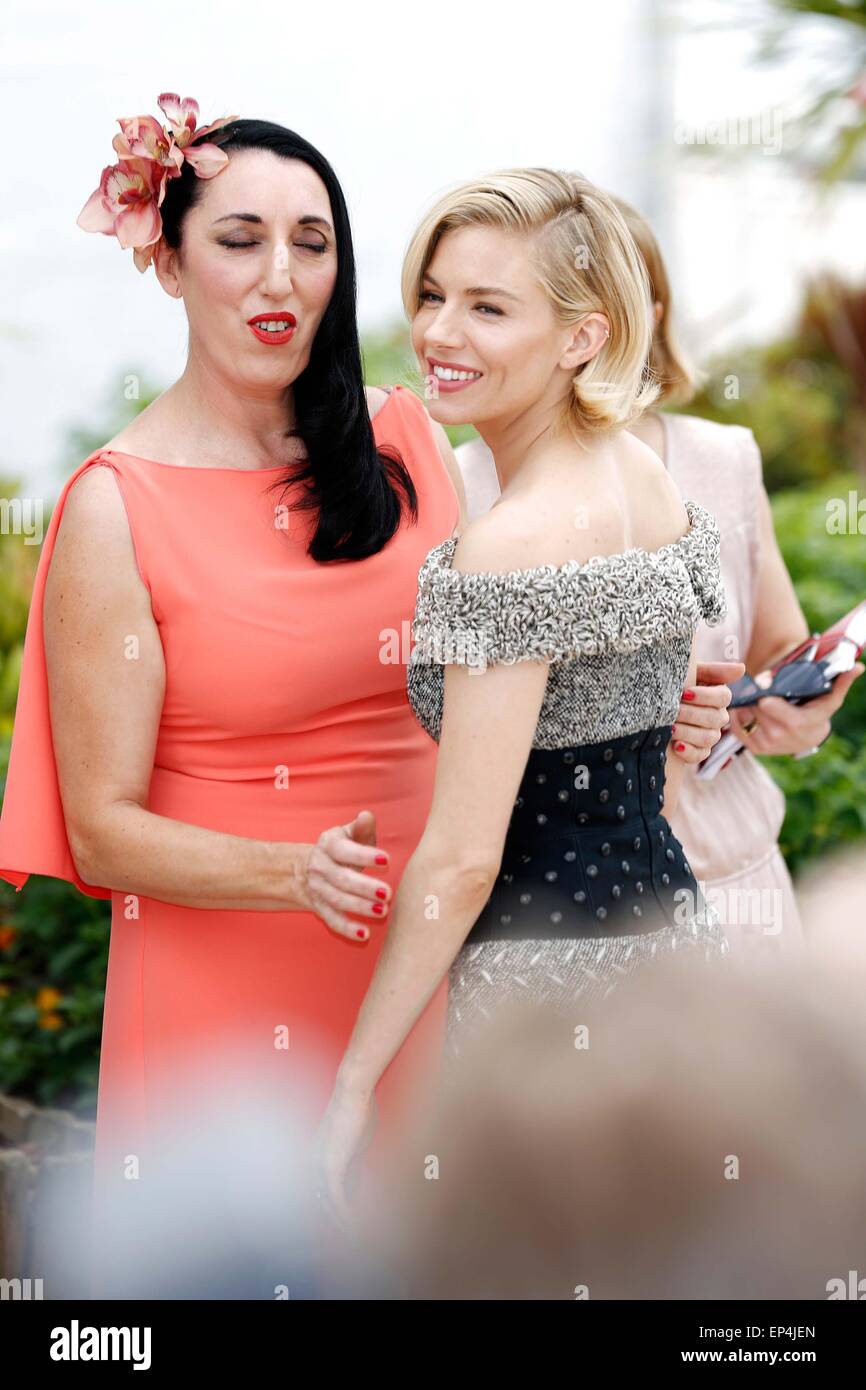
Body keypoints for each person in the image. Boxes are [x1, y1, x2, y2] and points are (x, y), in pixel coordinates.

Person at [0, 96, 469, 1290]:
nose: (283, 274)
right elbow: (102, 828)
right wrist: (292, 870)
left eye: (312, 242)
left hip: (430, 957)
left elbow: (487, 684)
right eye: (239, 237)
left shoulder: (404, 438)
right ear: (168, 260)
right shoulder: (118, 506)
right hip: (230, 977)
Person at [315, 168, 738, 1225]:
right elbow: (635, 709)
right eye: (432, 293)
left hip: (546, 987)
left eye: (488, 306)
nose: (439, 332)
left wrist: (354, 1081)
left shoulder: (513, 542)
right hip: (671, 943)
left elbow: (462, 861)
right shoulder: (641, 476)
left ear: (581, 337)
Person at [454, 192, 864, 959]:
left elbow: (773, 649)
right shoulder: (464, 484)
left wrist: (795, 715)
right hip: (571, 912)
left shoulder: (723, 459)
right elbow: (456, 726)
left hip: (739, 888)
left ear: (648, 312)